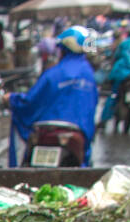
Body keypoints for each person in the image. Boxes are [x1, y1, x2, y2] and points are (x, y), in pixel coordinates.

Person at [8, 26, 98, 166]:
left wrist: (12, 99)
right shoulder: (89, 75)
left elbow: (31, 101)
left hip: (45, 133)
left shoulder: (53, 73)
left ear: (63, 50)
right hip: (77, 136)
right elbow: (90, 109)